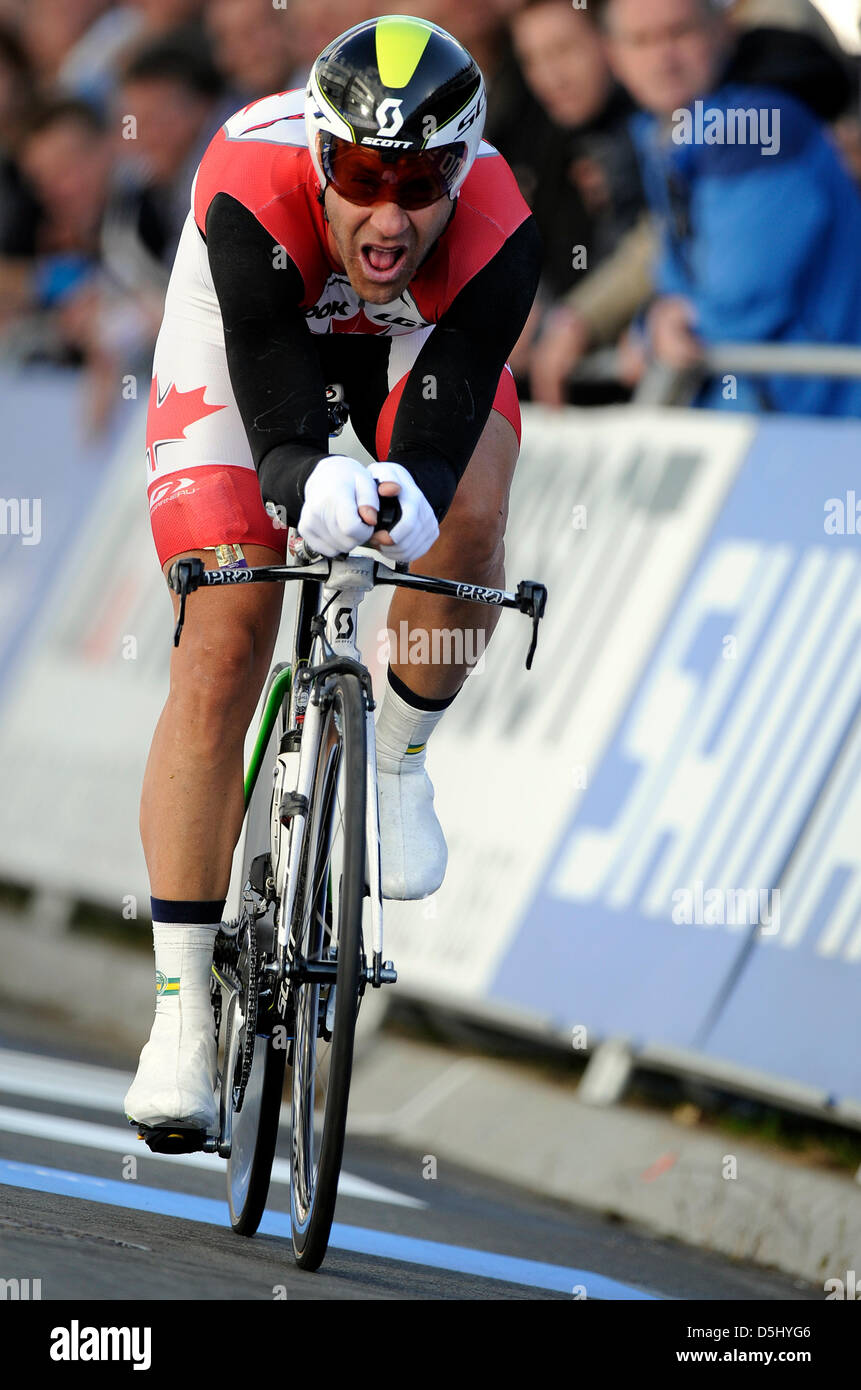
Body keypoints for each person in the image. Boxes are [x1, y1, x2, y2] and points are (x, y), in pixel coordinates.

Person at [124, 14, 541, 1148]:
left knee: (474, 516)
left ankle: (397, 753)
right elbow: (266, 372)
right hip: (251, 330)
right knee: (225, 636)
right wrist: (305, 474)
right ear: (321, 154)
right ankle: (180, 1019)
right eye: (362, 176)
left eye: (421, 181)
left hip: (411, 344)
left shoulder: (503, 217)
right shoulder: (249, 175)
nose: (390, 214)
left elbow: (455, 394)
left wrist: (412, 486)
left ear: (466, 165)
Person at [596, 0, 861, 416]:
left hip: (824, 429)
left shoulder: (755, 126)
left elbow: (734, 307)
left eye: (679, 33)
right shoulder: (665, 134)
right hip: (777, 428)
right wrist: (660, 317)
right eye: (641, 40)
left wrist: (650, 331)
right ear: (613, 55)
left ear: (724, 29)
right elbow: (679, 283)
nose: (663, 58)